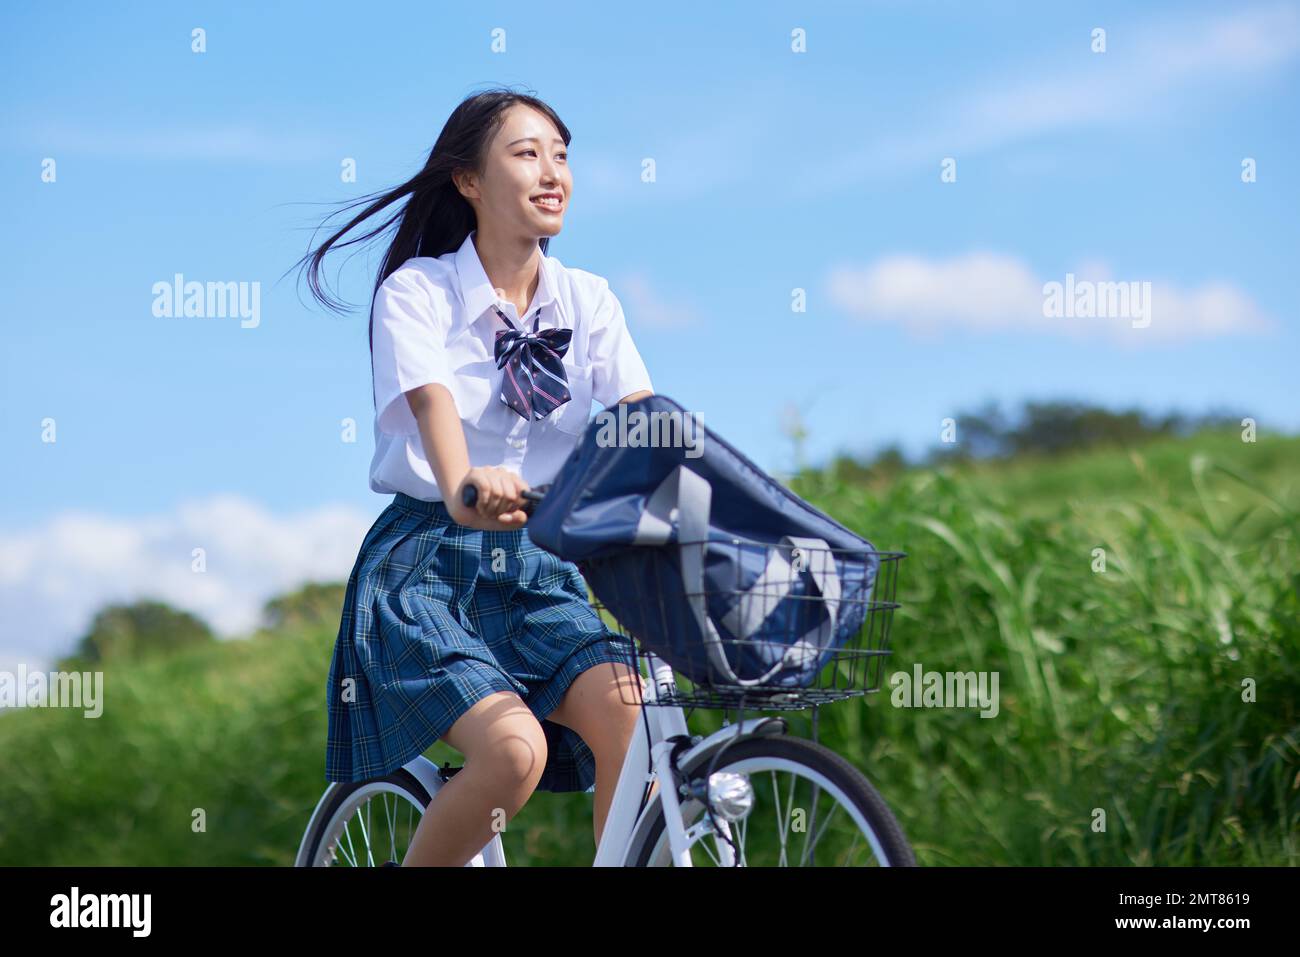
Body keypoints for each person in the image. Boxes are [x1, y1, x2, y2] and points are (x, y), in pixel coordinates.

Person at [294, 88, 658, 866]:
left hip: (539, 568)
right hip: (426, 564)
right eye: (526, 154)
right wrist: (467, 488)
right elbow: (439, 424)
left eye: (561, 155)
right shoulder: (418, 293)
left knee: (635, 710)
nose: (552, 171)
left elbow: (642, 419)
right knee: (514, 752)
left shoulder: (588, 300)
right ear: (467, 180)